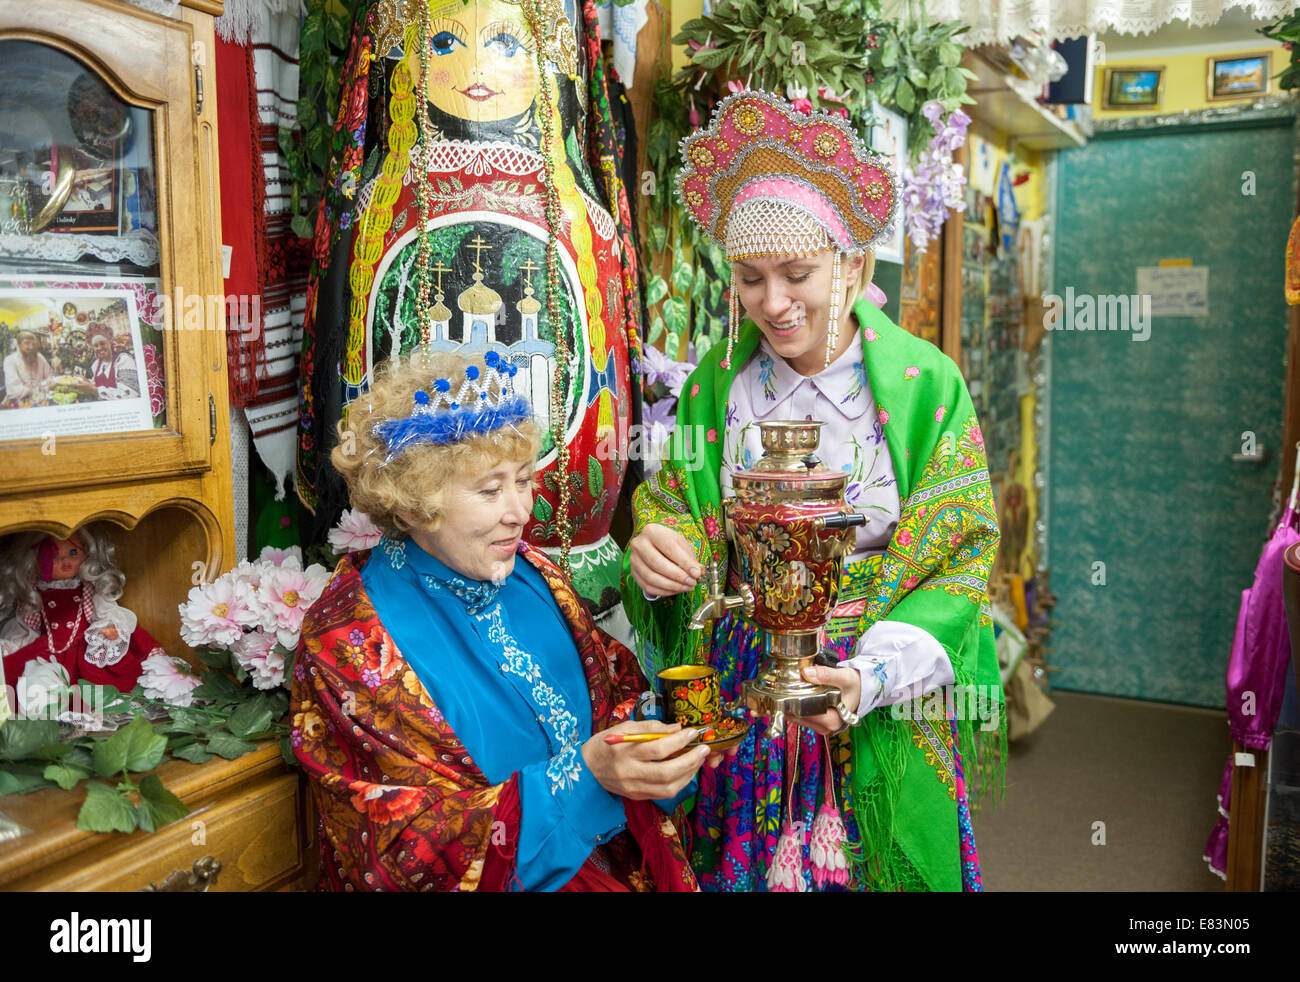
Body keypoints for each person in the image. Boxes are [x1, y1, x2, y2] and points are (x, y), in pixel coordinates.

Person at [622, 91, 1005, 892]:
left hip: (876, 682)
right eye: (751, 279)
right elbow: (673, 507)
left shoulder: (924, 385)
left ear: (853, 264)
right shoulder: (714, 387)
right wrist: (663, 548)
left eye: (798, 273)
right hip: (743, 692)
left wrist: (869, 676)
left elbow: (962, 552)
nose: (773, 303)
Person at [292, 350, 714, 891]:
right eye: (490, 490)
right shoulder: (348, 640)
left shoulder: (537, 576)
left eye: (523, 480)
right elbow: (397, 851)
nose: (520, 511)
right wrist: (583, 780)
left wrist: (655, 742)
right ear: (412, 504)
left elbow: (616, 696)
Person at [0, 526, 163, 698]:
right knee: (31, 683)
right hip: (49, 654)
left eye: (73, 553)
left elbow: (103, 613)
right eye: (54, 556)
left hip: (83, 652)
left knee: (102, 684)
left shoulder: (87, 589)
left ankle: (156, 664)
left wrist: (109, 629)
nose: (66, 561)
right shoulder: (36, 595)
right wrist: (13, 646)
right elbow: (27, 629)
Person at [84, 323, 139, 400]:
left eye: (102, 343)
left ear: (110, 343)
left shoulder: (123, 360)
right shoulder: (96, 364)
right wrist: (85, 381)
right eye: (96, 346)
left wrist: (93, 390)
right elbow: (96, 384)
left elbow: (130, 394)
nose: (99, 348)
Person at [3, 327, 53, 403]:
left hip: (41, 400)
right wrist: (41, 388)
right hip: (17, 404)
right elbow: (15, 391)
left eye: (34, 344)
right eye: (27, 343)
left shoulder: (39, 357)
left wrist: (47, 384)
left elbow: (50, 375)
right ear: (19, 345)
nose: (31, 347)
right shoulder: (10, 361)